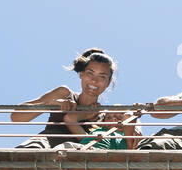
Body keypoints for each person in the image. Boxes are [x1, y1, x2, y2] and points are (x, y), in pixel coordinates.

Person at [10, 48, 138, 150]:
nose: (94, 80)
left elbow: (128, 141)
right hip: (42, 147)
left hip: (74, 163)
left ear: (108, 83)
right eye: (90, 73)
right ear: (81, 74)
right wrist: (51, 104)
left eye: (102, 77)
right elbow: (15, 117)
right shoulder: (64, 93)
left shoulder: (105, 118)